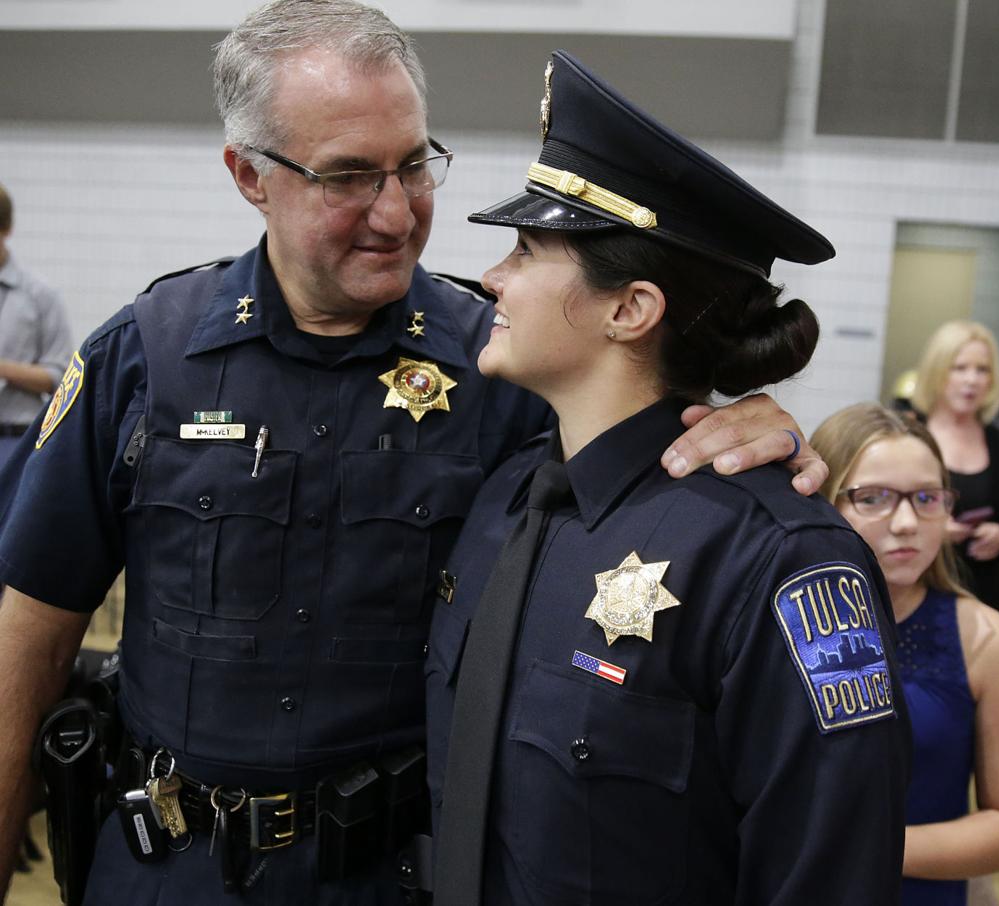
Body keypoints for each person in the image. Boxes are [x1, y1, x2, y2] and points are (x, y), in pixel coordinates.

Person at [0, 2, 828, 902]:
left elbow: (644, 453)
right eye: (349, 176)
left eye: (414, 165)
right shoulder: (143, 360)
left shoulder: (504, 367)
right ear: (249, 175)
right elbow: (28, 644)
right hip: (172, 868)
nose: (395, 214)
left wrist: (746, 424)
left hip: (395, 875)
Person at [424, 51, 911, 906]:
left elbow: (825, 875)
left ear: (629, 309)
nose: (492, 277)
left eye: (527, 248)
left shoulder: (776, 557)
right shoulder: (505, 501)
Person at [810, 403, 999, 906]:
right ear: (822, 502)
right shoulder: (780, 625)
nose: (908, 522)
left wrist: (866, 847)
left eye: (927, 497)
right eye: (873, 498)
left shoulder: (986, 640)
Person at [911, 320, 999, 612]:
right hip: (917, 586)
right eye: (959, 368)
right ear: (937, 372)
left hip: (982, 590)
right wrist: (931, 528)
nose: (971, 380)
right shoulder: (908, 437)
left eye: (982, 370)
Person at [0, 181, 74, 473]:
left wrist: (3, 368)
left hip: (15, 439)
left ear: (6, 230)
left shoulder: (40, 296)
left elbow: (60, 376)